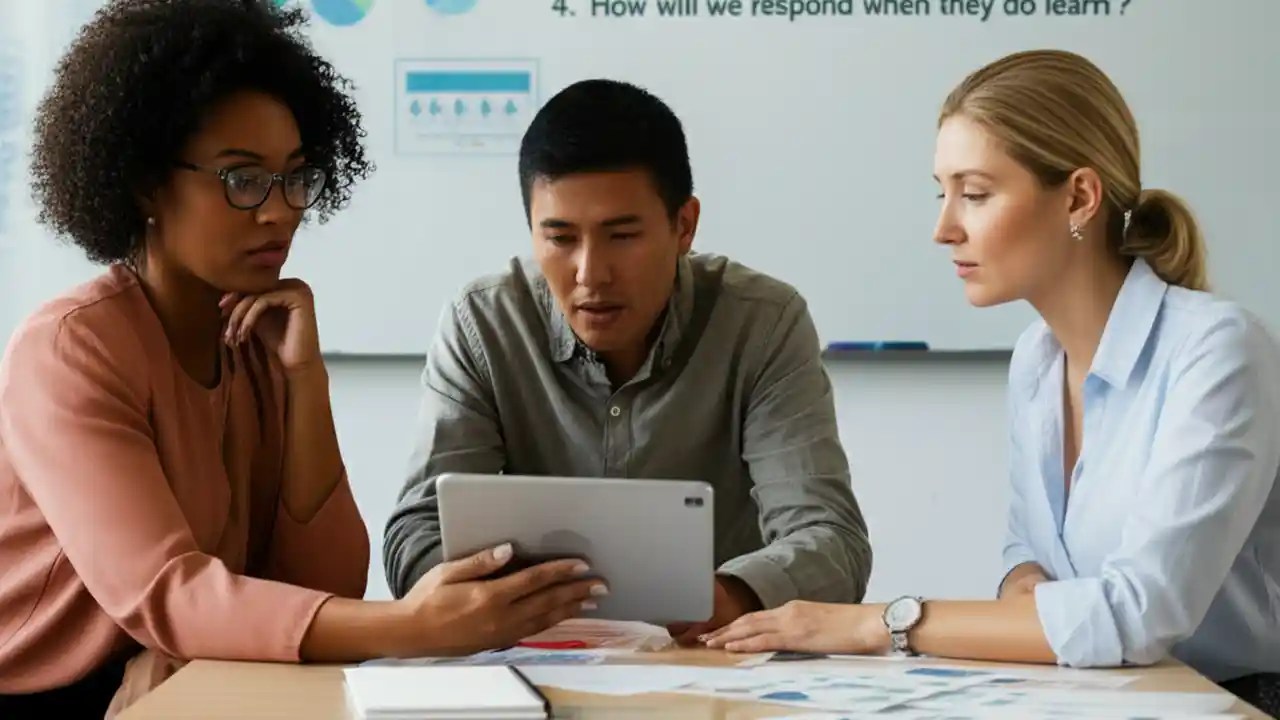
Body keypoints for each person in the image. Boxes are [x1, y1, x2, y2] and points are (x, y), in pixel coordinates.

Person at [0, 1, 603, 715]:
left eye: (295, 177)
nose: (280, 210)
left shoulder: (254, 337)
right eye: (242, 179)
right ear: (145, 184)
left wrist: (304, 380)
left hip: (183, 673)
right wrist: (416, 625)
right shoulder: (71, 348)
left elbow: (325, 579)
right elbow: (165, 592)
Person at [703, 48, 1280, 714]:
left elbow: (1138, 613)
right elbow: (1026, 552)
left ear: (1080, 197)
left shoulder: (1217, 350)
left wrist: (878, 622)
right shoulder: (1037, 359)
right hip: (1101, 697)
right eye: (941, 192)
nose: (944, 227)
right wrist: (1027, 583)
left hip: (1233, 703)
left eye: (975, 194)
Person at [383, 78, 873, 644]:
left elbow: (832, 539)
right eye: (560, 238)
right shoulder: (484, 323)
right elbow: (413, 537)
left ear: (683, 225)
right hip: (527, 657)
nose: (590, 273)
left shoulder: (762, 322)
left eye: (622, 235)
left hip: (711, 663)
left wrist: (729, 596)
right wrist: (502, 598)